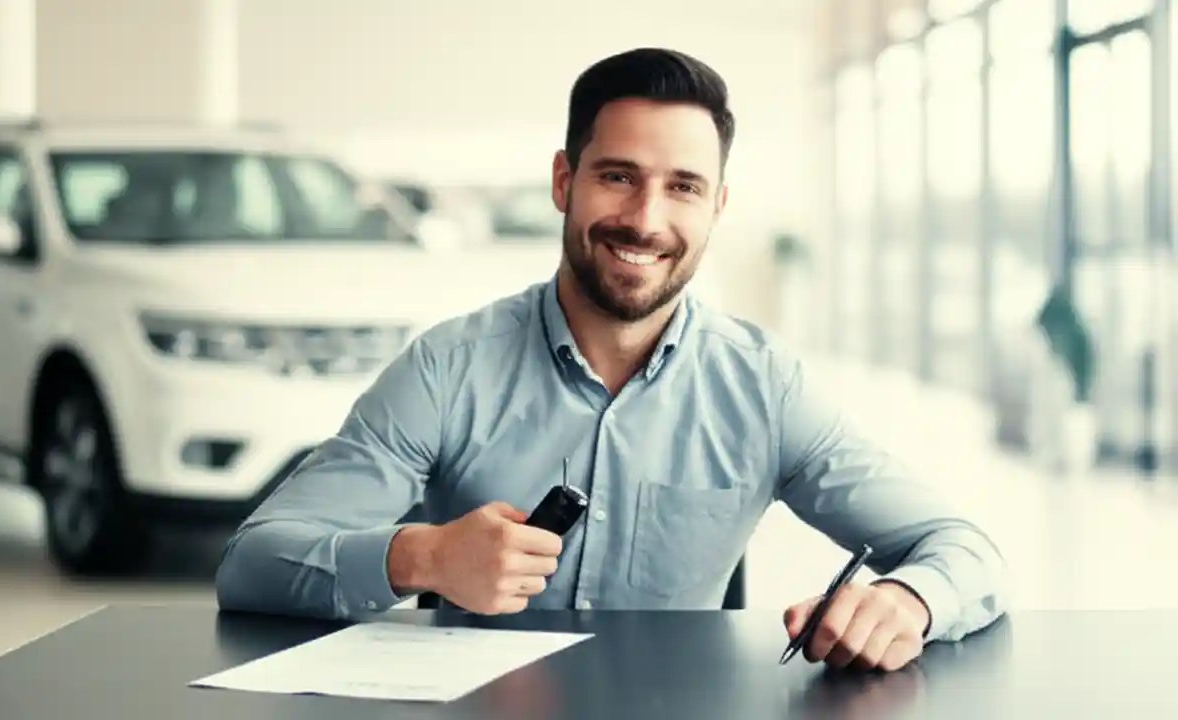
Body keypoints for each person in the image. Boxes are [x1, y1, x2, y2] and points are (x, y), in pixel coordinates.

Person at [215, 47, 1008, 673]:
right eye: (618, 176)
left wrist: (910, 600)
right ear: (565, 181)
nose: (645, 219)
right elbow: (252, 561)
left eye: (683, 187)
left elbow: (964, 549)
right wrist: (423, 555)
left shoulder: (764, 386)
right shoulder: (448, 368)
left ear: (717, 208)